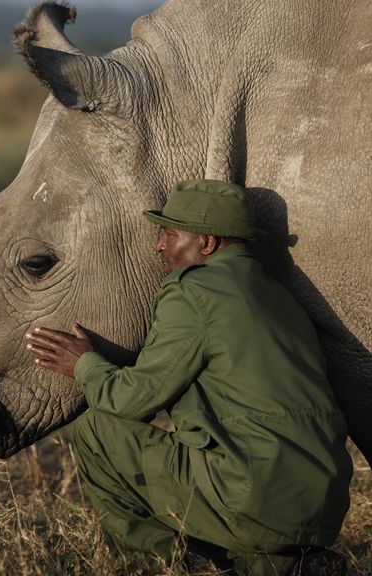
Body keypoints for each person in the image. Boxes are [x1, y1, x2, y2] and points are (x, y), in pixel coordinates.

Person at [25, 180, 353, 575]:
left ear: (208, 244)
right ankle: (290, 564)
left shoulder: (193, 290)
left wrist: (84, 364)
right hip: (322, 507)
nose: (159, 246)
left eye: (169, 233)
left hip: (249, 497)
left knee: (99, 429)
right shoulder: (282, 298)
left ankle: (177, 566)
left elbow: (133, 401)